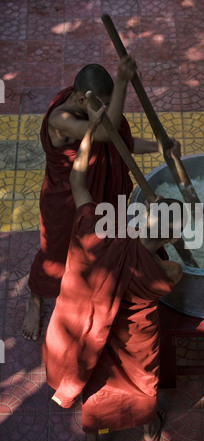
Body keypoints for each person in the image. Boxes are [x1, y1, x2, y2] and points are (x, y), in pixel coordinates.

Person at [41, 103, 186, 441]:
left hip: (89, 332)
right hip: (136, 342)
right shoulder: (171, 270)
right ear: (172, 238)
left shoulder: (96, 231)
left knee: (96, 383)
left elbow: (78, 179)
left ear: (145, 216)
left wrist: (90, 130)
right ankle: (150, 431)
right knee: (140, 384)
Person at [21, 57, 161, 341]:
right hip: (65, 200)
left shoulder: (85, 106)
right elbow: (105, 135)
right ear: (81, 99)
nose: (109, 110)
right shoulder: (61, 120)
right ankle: (35, 299)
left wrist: (162, 147)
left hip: (98, 193)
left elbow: (120, 143)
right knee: (56, 254)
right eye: (103, 104)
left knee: (103, 246)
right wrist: (122, 82)